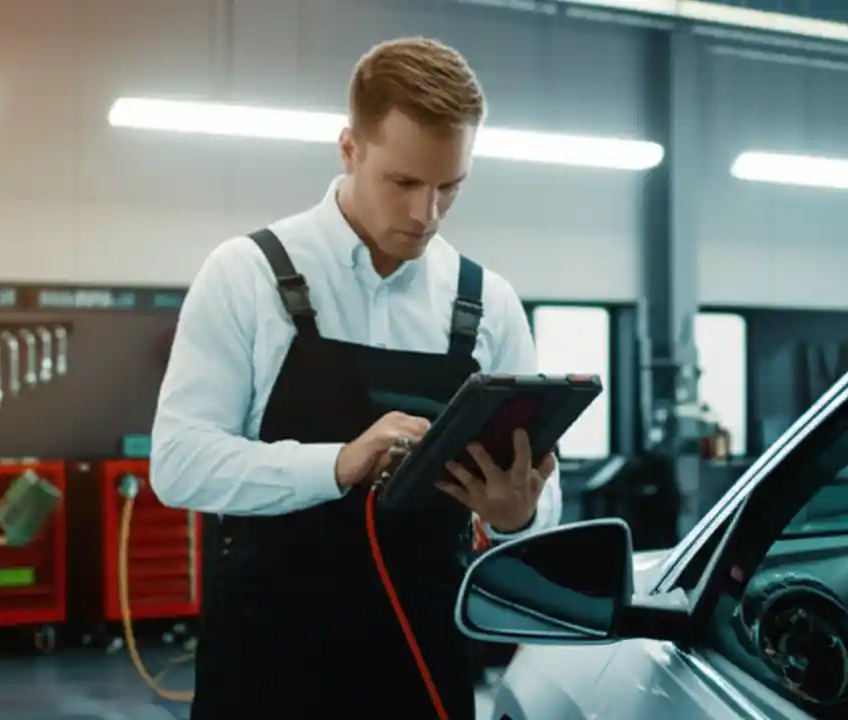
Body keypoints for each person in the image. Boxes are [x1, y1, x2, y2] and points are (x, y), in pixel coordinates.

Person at [149, 37, 562, 720]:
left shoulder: (489, 305)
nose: (425, 214)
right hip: (267, 670)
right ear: (349, 150)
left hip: (421, 667)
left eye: (449, 188)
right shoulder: (247, 275)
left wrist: (518, 518)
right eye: (403, 183)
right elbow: (178, 462)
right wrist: (337, 464)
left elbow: (545, 494)